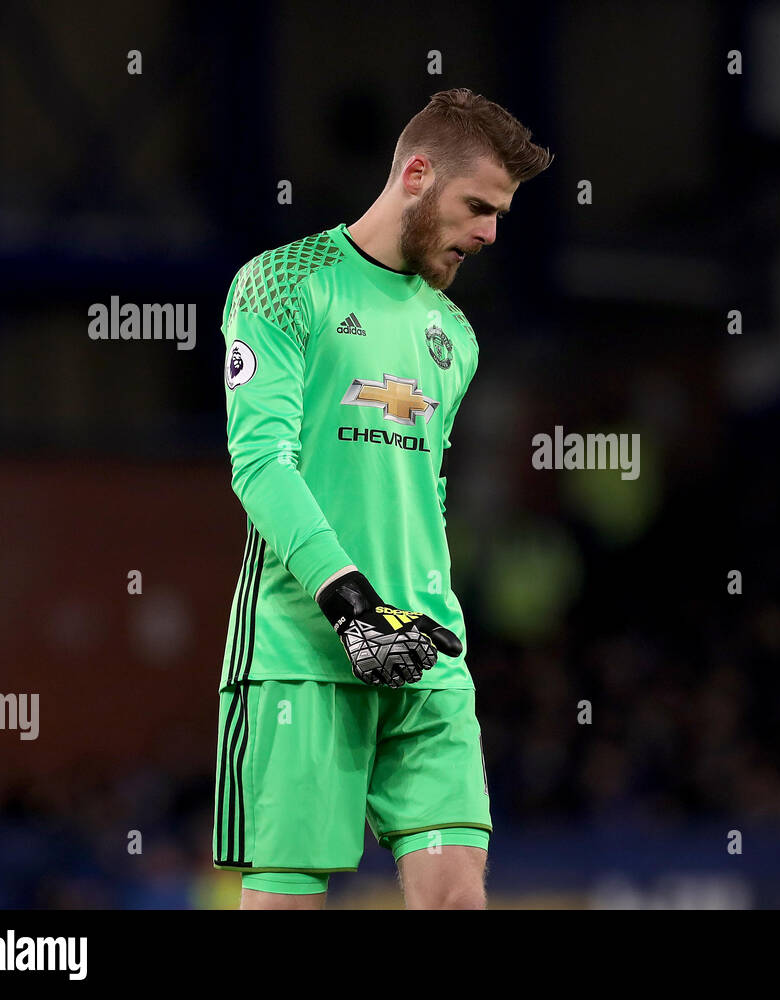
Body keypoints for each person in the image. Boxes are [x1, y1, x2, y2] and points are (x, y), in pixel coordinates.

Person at [212, 88, 552, 909]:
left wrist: (410, 611)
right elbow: (260, 465)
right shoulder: (282, 283)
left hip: (424, 652)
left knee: (456, 900)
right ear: (417, 175)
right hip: (302, 652)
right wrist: (351, 604)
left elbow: (419, 494)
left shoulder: (456, 336)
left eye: (500, 214)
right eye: (478, 207)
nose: (490, 234)